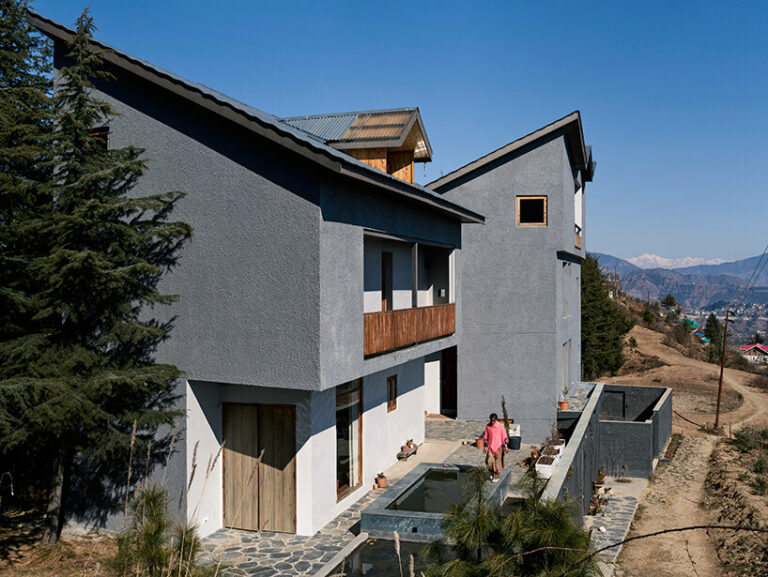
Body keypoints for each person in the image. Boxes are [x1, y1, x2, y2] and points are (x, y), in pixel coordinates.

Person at [483, 413, 508, 482]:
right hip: (490, 447)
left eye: (494, 421)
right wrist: (485, 446)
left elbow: (504, 436)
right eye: (491, 420)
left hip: (498, 447)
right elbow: (485, 437)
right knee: (489, 461)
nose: (492, 422)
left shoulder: (500, 426)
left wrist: (506, 446)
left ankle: (496, 476)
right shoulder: (488, 426)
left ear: (496, 420)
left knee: (497, 464)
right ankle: (491, 472)